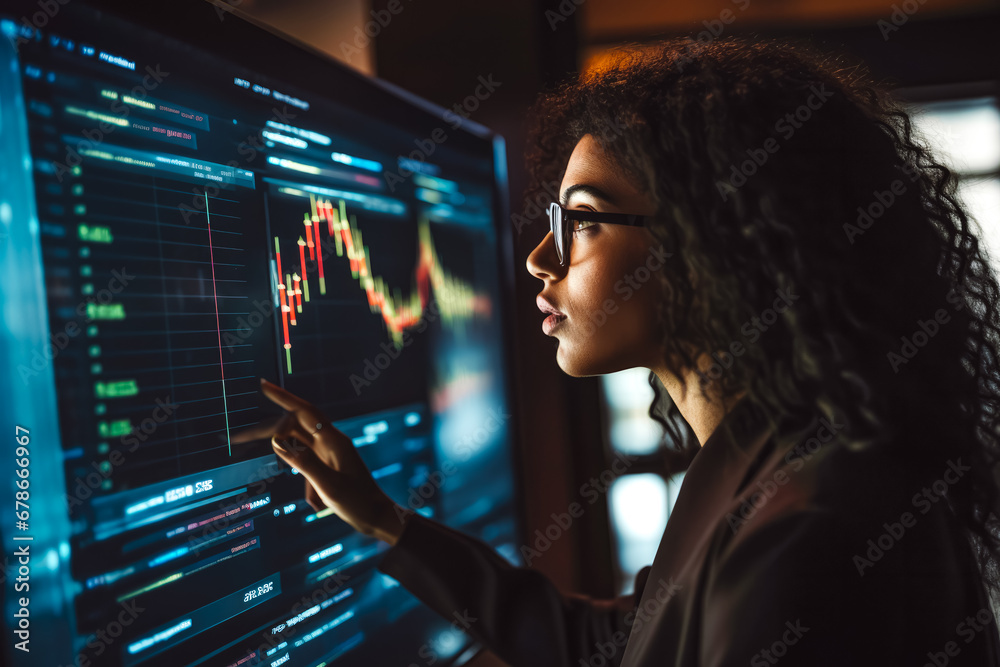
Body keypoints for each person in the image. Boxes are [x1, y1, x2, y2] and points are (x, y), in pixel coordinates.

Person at [254, 36, 1000, 666]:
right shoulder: (768, 456)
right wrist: (387, 521)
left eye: (581, 219)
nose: (541, 259)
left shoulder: (805, 536)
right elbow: (613, 643)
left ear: (713, 243)